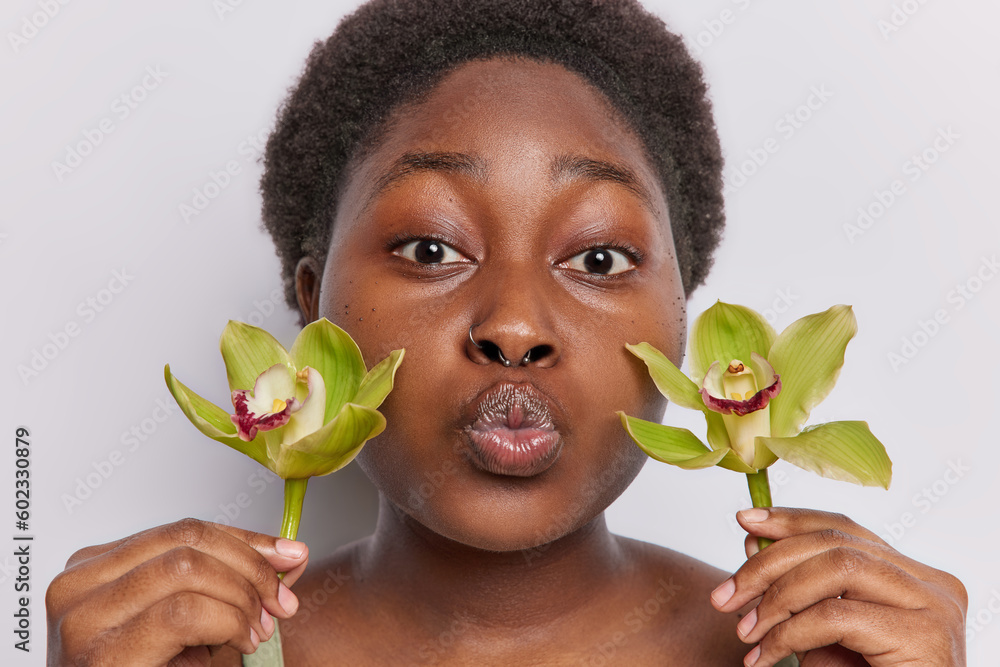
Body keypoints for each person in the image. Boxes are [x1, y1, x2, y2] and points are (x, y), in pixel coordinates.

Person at [45, 0, 967, 665]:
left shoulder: (817, 657)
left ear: (690, 323)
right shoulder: (183, 657)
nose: (515, 325)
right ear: (312, 305)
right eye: (430, 246)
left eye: (598, 259)